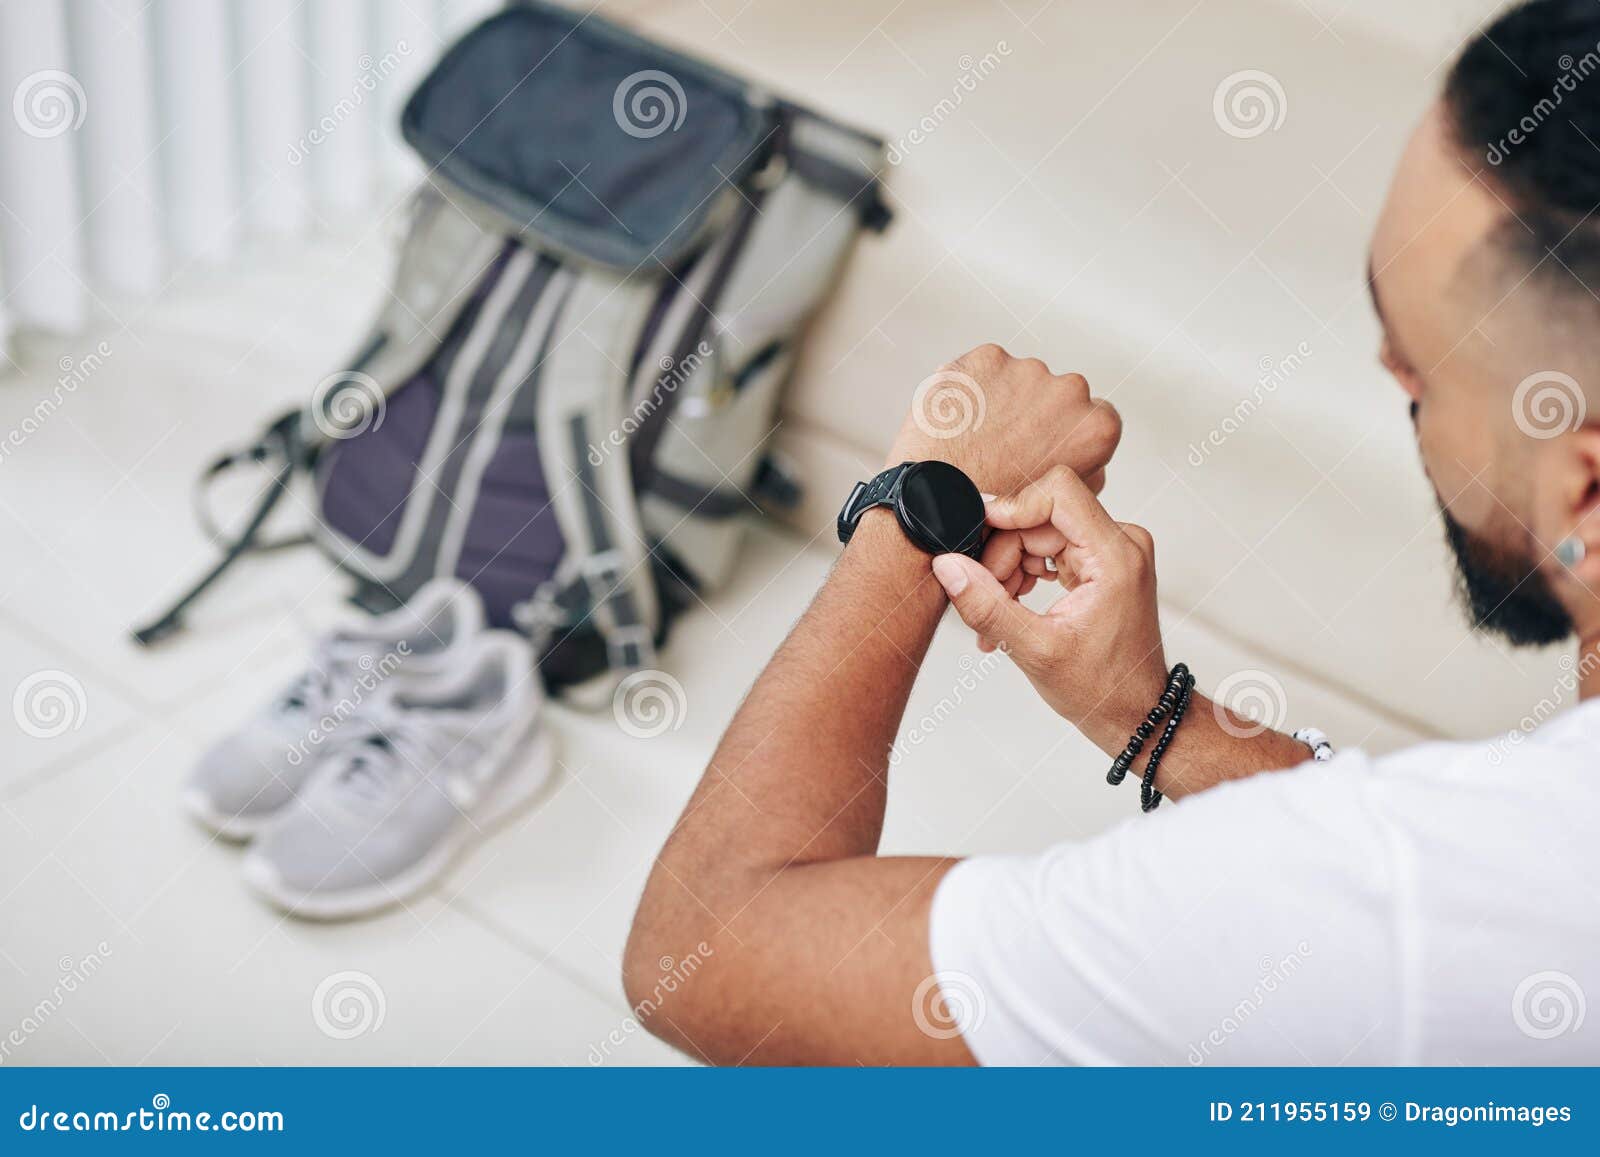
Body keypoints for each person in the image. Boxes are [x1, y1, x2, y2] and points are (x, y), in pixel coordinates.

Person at [623, 0, 1600, 1065]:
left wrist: (923, 503)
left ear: (1584, 487)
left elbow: (703, 950)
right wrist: (1153, 718)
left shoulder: (1391, 904)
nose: (1389, 371)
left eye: (1422, 369)